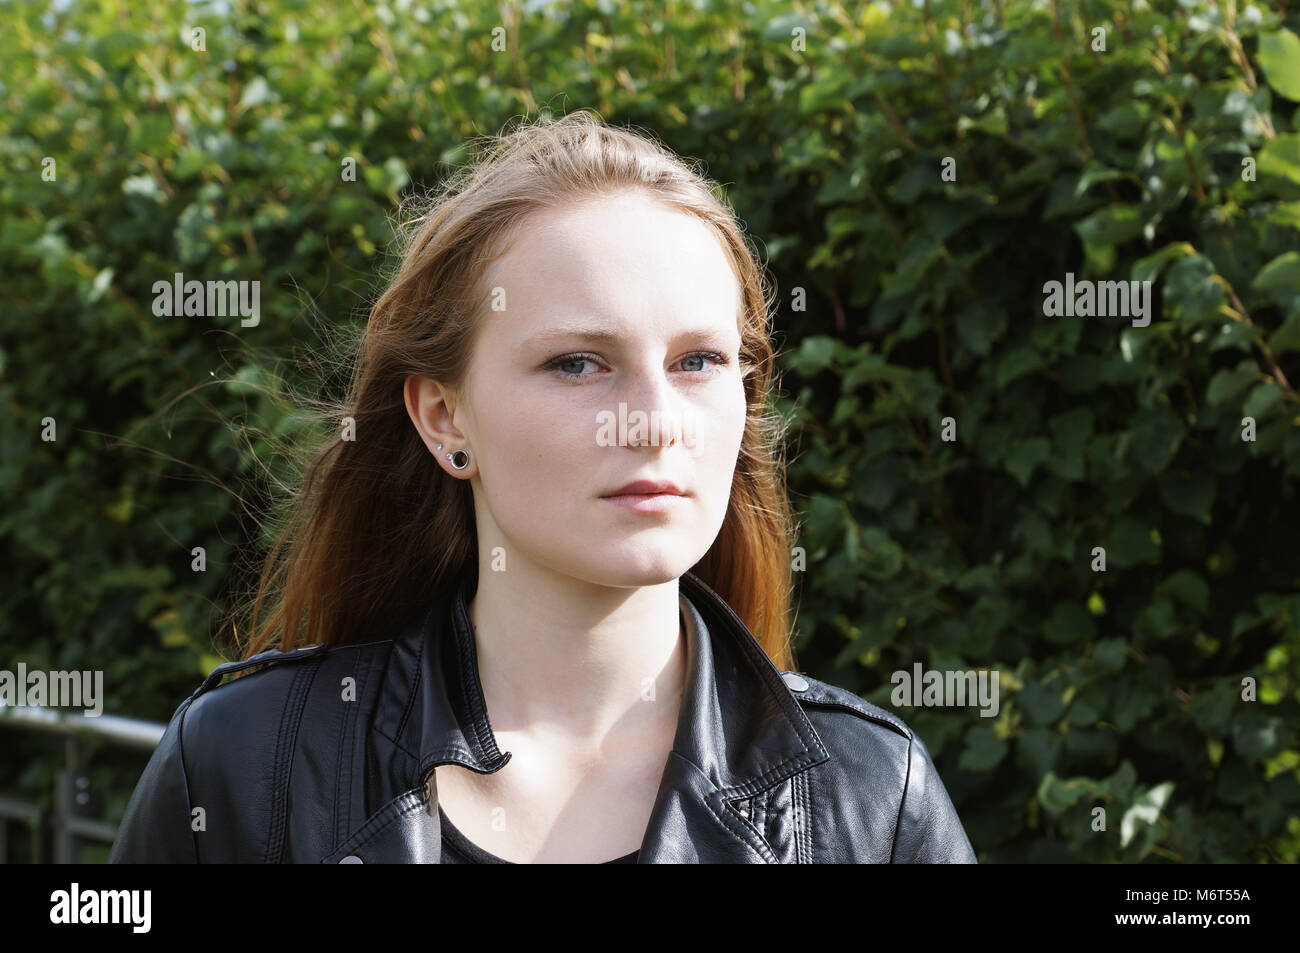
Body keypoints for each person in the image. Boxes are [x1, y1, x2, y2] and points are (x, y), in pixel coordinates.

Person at [109, 110, 977, 864]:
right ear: (445, 417)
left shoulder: (872, 802)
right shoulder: (238, 765)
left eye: (699, 361)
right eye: (577, 363)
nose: (652, 421)